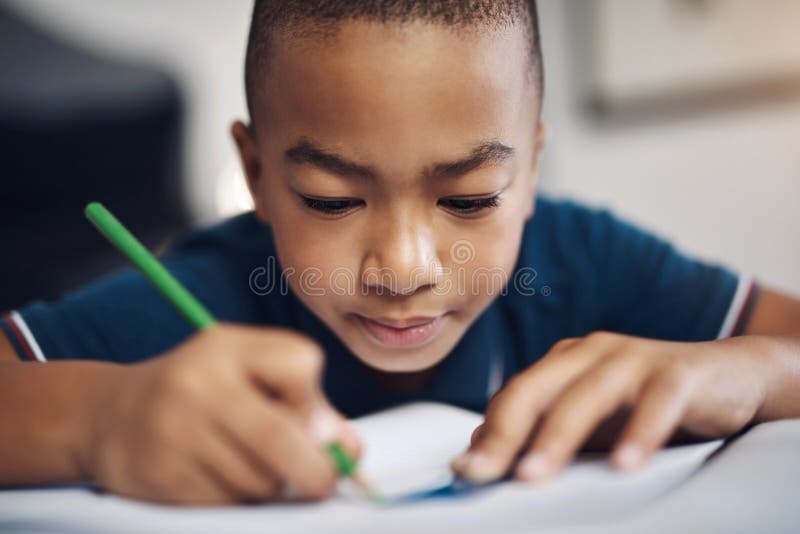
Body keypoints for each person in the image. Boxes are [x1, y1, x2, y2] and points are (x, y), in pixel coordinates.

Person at [1, 0, 799, 505]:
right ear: (257, 176)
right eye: (331, 200)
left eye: (469, 200)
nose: (405, 268)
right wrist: (101, 419)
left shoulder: (581, 256)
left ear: (530, 172)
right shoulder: (215, 291)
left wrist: (747, 371)